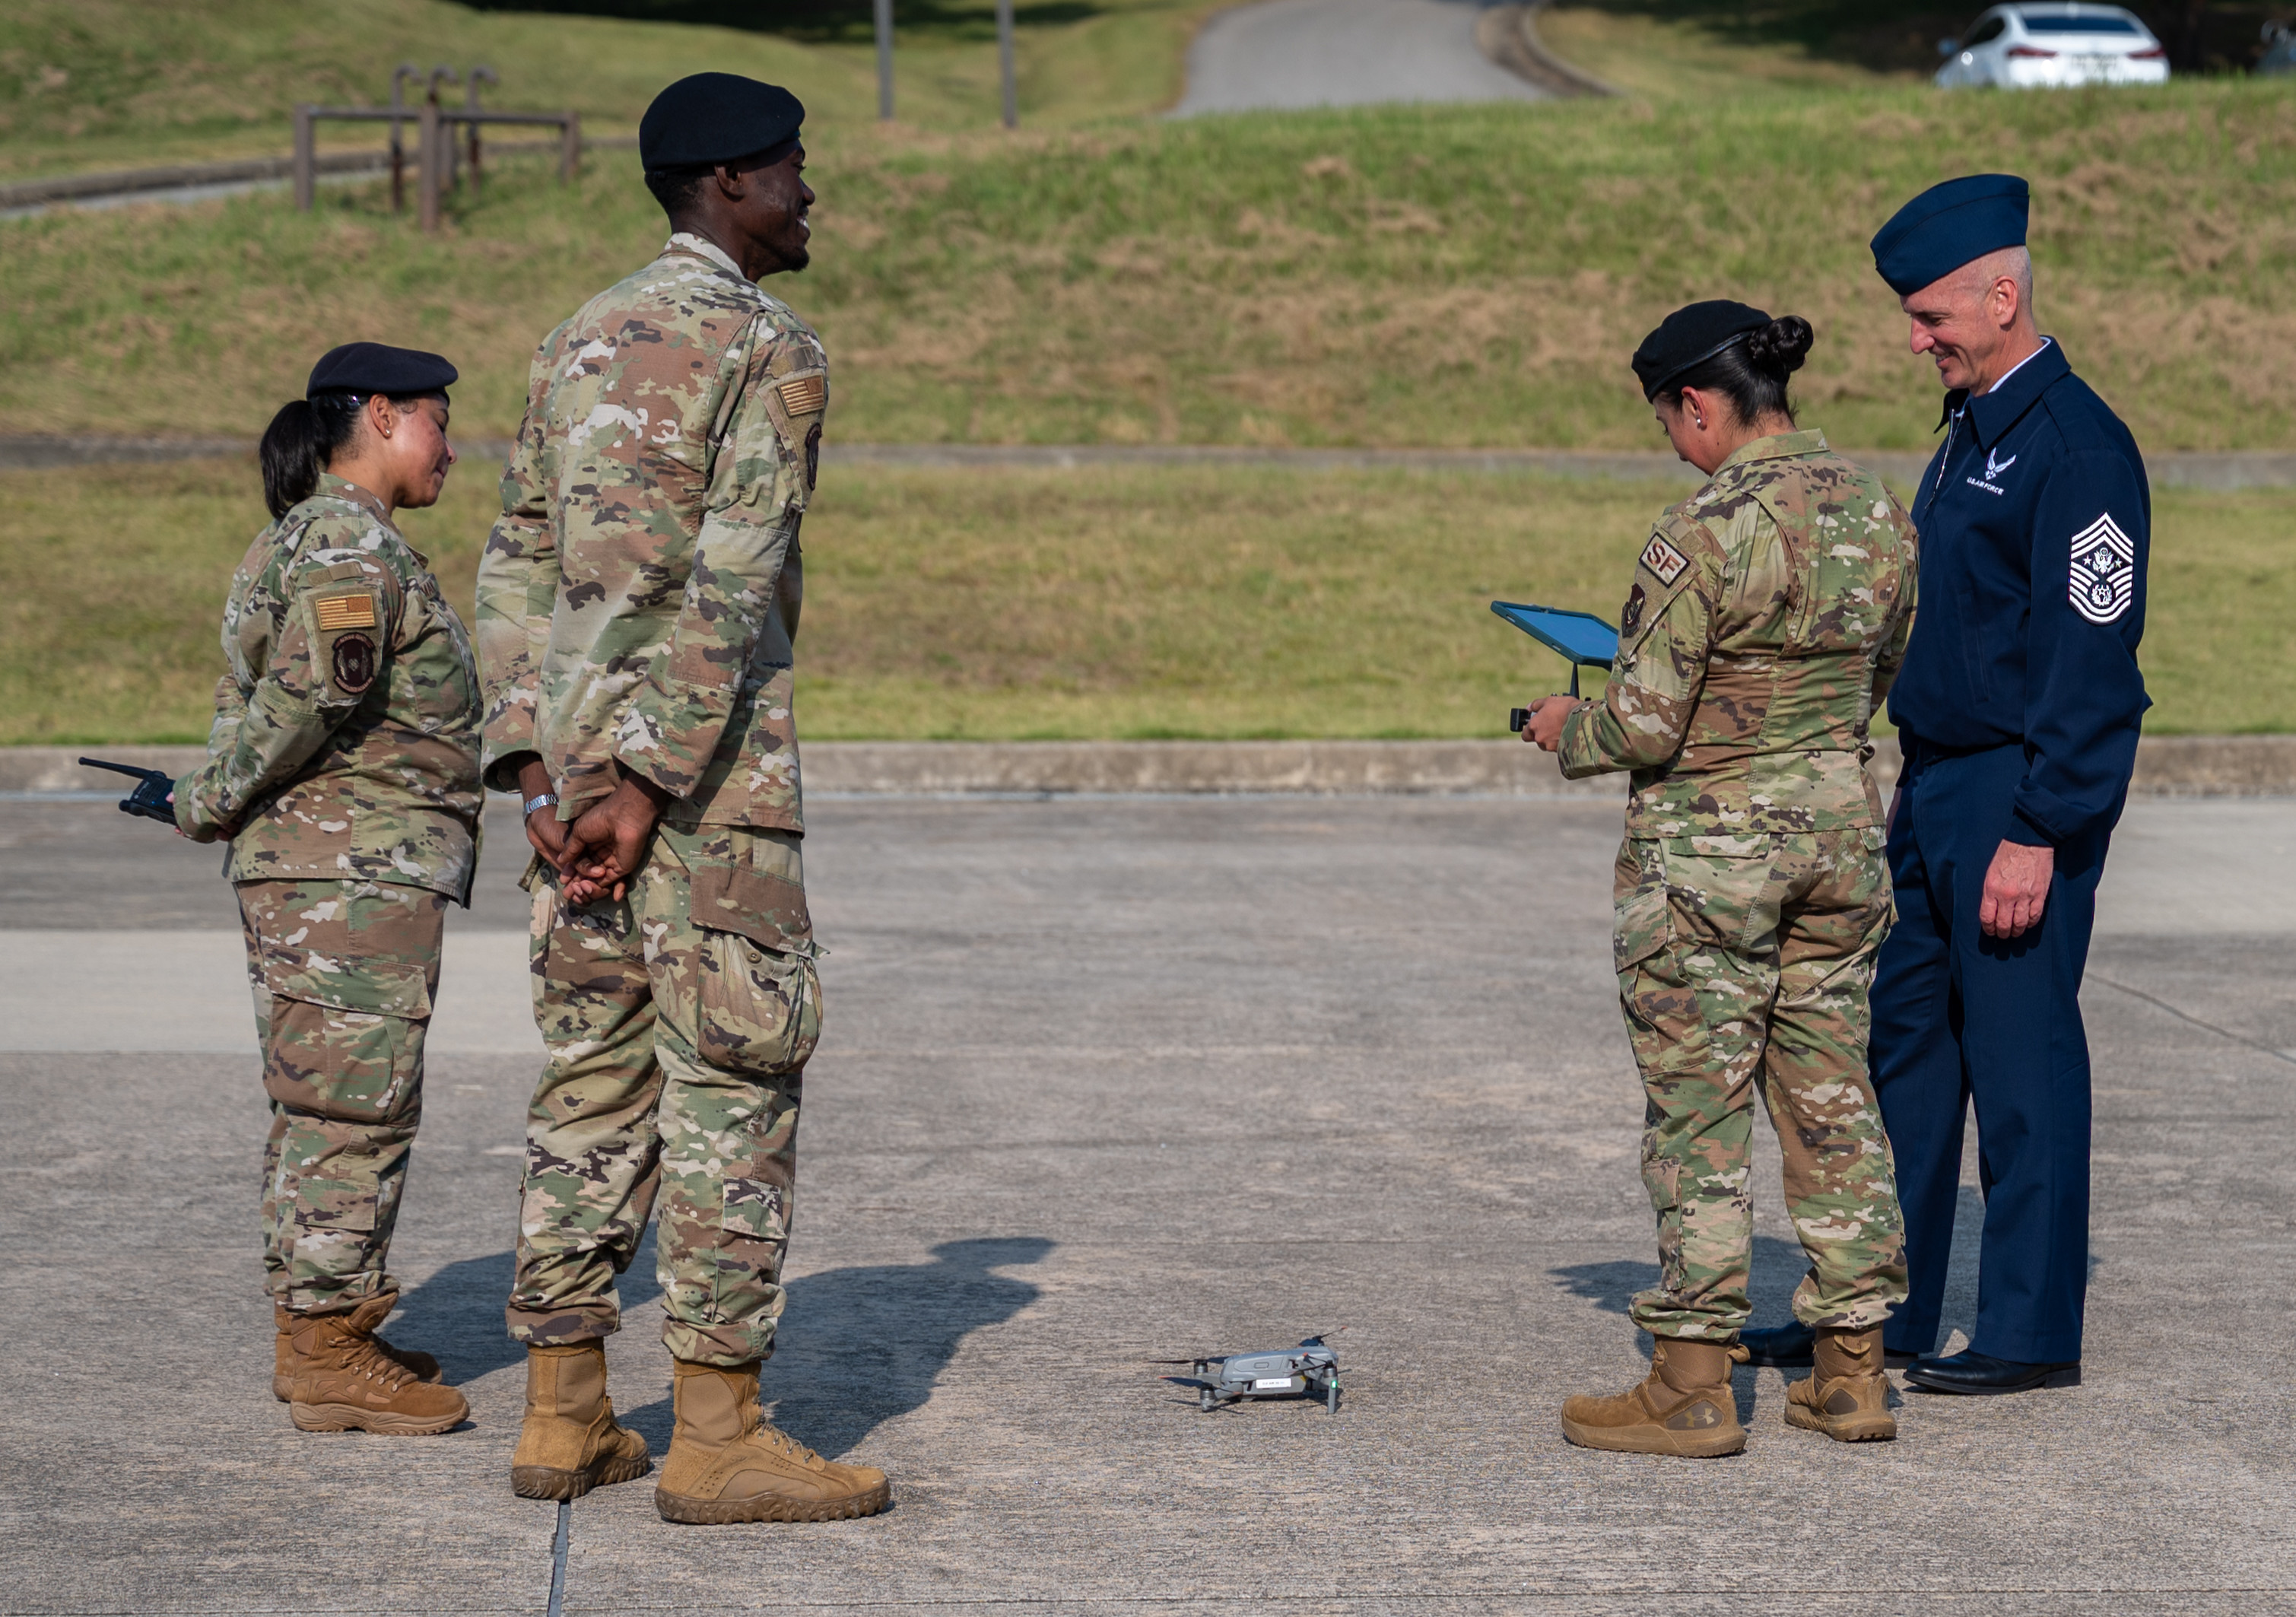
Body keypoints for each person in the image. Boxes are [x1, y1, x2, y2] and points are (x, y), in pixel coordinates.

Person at [476, 72, 887, 1522]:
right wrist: (651, 779)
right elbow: (733, 574)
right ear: (727, 185)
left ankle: (563, 1416)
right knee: (732, 1089)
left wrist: (535, 766)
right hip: (700, 794)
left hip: (568, 793)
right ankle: (717, 1436)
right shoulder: (768, 346)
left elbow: (518, 553)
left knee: (590, 1082)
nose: (808, 192)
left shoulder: (573, 337)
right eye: (791, 168)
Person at [1522, 302, 1919, 1456]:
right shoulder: (1878, 511)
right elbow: (1880, 674)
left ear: (1699, 405)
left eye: (1669, 424)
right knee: (1833, 1097)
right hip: (1839, 849)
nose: (1673, 446)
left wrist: (1565, 725)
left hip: (1709, 869)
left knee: (1700, 1114)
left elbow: (1644, 723)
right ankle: (1854, 1376)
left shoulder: (1699, 529)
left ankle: (1693, 1380)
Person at [1855, 175, 2147, 1395]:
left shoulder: (2077, 450)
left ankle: (2030, 1328)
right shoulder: (1972, 435)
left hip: (2015, 796)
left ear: (2002, 293)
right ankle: (1892, 1307)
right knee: (1907, 1051)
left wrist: (2043, 824)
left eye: (1933, 319)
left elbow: (2092, 663)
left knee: (2022, 1065)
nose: (1919, 341)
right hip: (1935, 791)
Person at [173, 342, 481, 1436]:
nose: (453, 445)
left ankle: (328, 1322)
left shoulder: (302, 538)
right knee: (355, 1109)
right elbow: (309, 696)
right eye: (439, 421)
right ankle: (325, 1351)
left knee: (325, 1109)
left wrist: (218, 794)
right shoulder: (350, 541)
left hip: (327, 877)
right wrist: (208, 795)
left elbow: (255, 687)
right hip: (348, 880)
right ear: (386, 416)